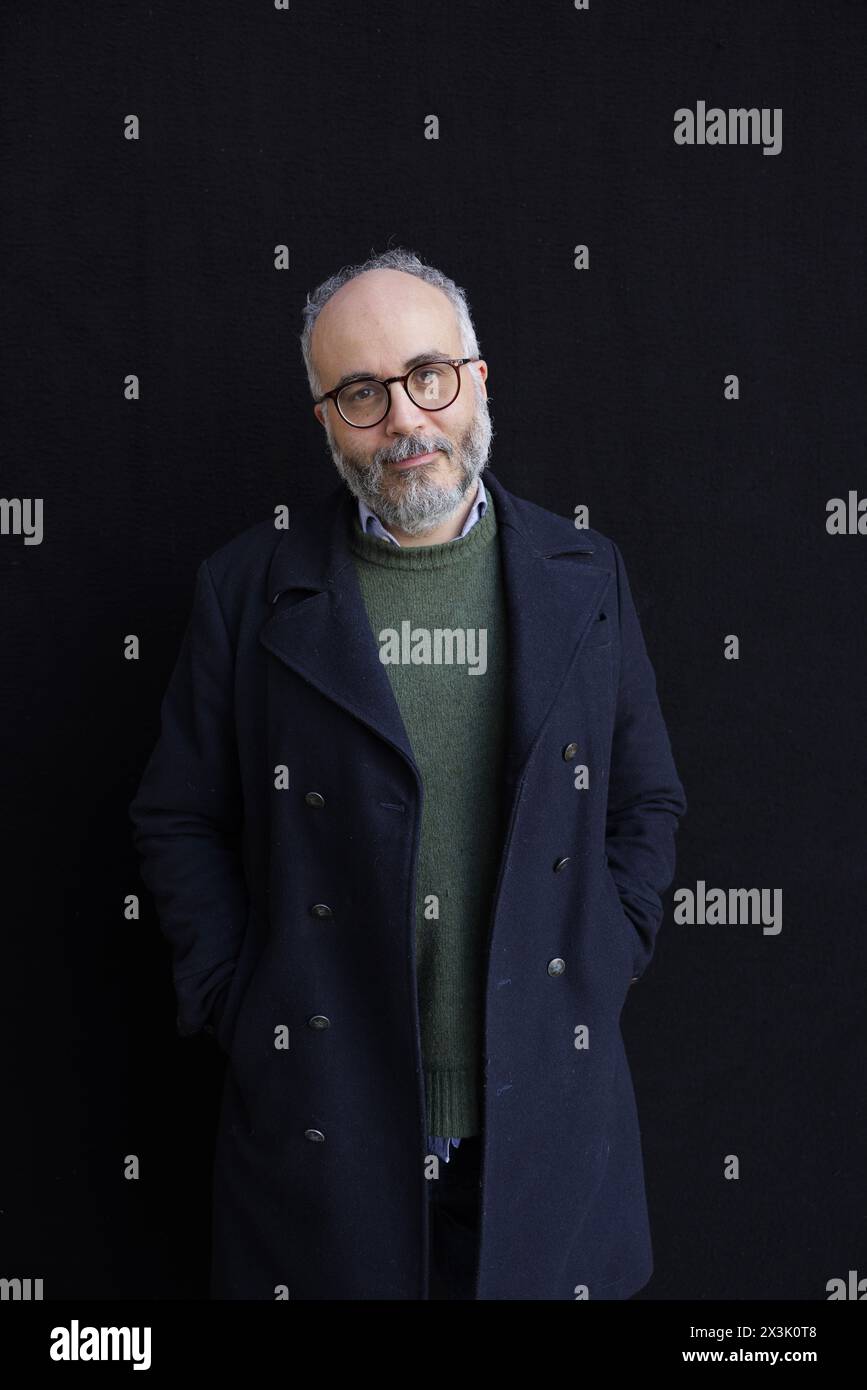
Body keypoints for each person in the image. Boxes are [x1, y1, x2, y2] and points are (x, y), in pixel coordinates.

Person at [129, 247, 687, 1300]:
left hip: (549, 1122)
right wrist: (239, 1002)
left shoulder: (586, 575)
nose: (404, 421)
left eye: (428, 374)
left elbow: (644, 797)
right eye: (360, 393)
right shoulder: (247, 591)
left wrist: (606, 949)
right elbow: (179, 815)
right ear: (324, 419)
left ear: (479, 378)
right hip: (325, 1124)